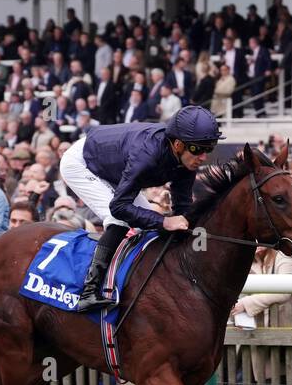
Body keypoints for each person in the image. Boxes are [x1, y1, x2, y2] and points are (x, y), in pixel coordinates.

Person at [59, 105, 218, 312]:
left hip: (115, 166)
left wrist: (197, 241)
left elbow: (183, 208)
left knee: (148, 225)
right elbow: (119, 207)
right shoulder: (147, 155)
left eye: (208, 149)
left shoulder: (186, 160)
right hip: (82, 163)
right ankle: (88, 291)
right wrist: (164, 221)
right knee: (121, 220)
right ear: (178, 145)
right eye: (198, 149)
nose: (203, 157)